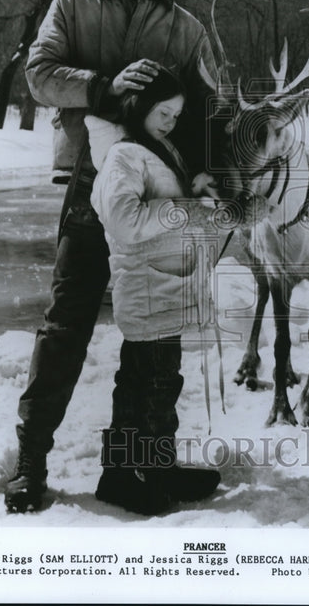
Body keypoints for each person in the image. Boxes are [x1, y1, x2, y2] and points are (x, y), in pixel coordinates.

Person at [5, 0, 221, 513]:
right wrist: (103, 87)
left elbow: (203, 114)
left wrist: (206, 174)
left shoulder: (188, 31)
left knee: (156, 327)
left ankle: (141, 466)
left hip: (155, 191)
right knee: (68, 319)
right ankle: (30, 460)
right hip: (87, 181)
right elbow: (40, 74)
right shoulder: (75, 2)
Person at [90, 67, 220, 515]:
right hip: (146, 288)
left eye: (177, 114)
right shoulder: (123, 155)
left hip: (167, 287)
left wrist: (195, 188)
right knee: (144, 386)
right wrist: (184, 209)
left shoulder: (155, 149)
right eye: (163, 111)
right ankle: (124, 477)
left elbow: (164, 198)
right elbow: (125, 221)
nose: (170, 121)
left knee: (161, 383)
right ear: (140, 106)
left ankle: (156, 467)